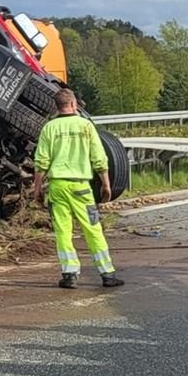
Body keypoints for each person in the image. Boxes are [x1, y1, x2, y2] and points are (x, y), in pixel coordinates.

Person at [32, 88, 124, 290]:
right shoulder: (86, 126)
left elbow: (41, 162)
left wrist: (37, 189)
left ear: (57, 107)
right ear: (74, 104)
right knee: (93, 230)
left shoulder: (49, 128)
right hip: (81, 187)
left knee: (63, 232)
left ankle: (70, 275)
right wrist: (106, 185)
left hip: (57, 188)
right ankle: (107, 274)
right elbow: (99, 158)